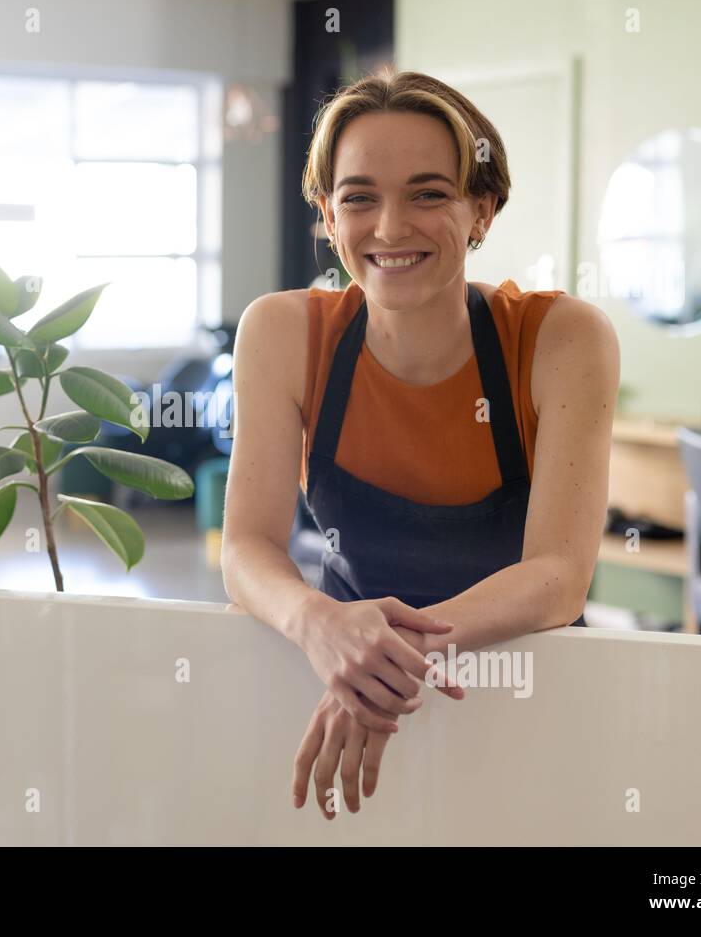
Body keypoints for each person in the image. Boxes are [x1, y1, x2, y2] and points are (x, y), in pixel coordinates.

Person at [220, 69, 620, 820]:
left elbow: (558, 578)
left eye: (430, 193)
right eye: (360, 196)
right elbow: (245, 548)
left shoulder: (561, 339)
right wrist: (323, 626)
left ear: (482, 210)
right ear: (328, 218)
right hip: (339, 691)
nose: (391, 227)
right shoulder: (281, 334)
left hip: (524, 694)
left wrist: (384, 660)